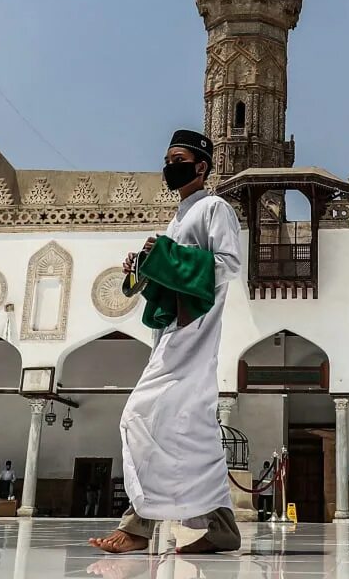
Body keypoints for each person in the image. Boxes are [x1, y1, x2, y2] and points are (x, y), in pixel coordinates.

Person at [89, 129, 243, 555]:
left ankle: (137, 526)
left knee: (139, 416)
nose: (169, 165)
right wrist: (142, 266)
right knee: (192, 431)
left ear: (201, 166)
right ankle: (221, 527)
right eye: (167, 158)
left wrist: (166, 256)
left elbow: (228, 265)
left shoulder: (215, 207)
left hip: (193, 333)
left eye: (178, 158)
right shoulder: (176, 219)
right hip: (170, 332)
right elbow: (166, 272)